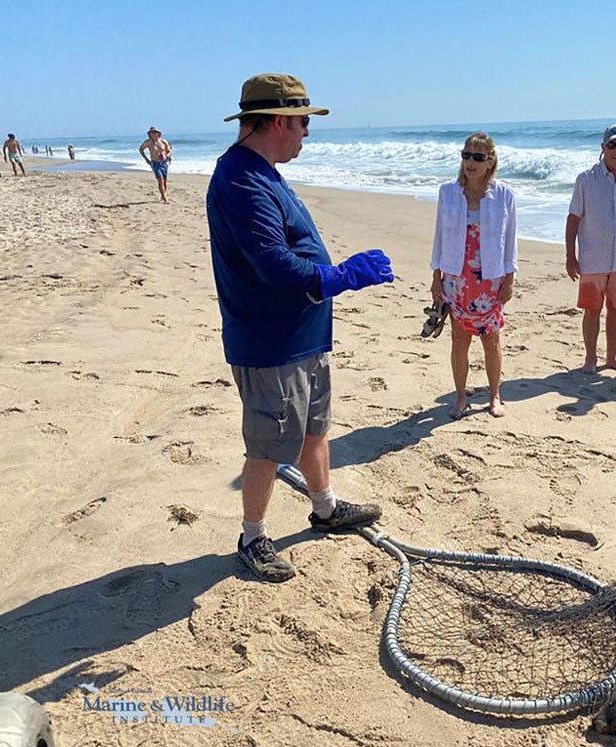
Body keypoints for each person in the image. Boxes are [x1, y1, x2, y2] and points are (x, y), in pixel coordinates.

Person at [206, 72, 394, 583]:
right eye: (303, 123)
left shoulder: (262, 168)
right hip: (269, 341)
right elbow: (274, 265)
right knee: (268, 444)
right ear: (278, 121)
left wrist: (333, 281)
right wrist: (341, 277)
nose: (307, 134)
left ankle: (325, 508)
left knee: (315, 426)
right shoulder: (241, 179)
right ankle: (252, 536)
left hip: (303, 334)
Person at [430, 132, 517, 419]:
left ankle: (494, 396)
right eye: (466, 155)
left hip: (490, 277)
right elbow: (439, 237)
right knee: (459, 339)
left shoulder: (504, 194)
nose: (471, 162)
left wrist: (509, 278)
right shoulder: (448, 192)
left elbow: (510, 239)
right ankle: (459, 397)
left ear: (490, 161)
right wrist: (436, 277)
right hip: (456, 276)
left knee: (491, 339)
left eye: (478, 157)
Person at [565, 124, 616, 374]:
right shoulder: (586, 178)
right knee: (592, 309)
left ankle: (612, 357)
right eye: (611, 144)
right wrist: (571, 255)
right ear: (602, 147)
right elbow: (573, 218)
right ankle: (590, 358)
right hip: (593, 256)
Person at [139, 127, 173, 203]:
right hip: (155, 163)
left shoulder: (163, 142)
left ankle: (163, 195)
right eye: (152, 133)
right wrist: (146, 159)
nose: (153, 134)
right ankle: (164, 198)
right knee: (160, 180)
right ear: (149, 134)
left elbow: (169, 151)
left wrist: (167, 156)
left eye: (155, 132)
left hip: (164, 163)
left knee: (164, 181)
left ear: (158, 133)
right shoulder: (148, 142)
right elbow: (141, 149)